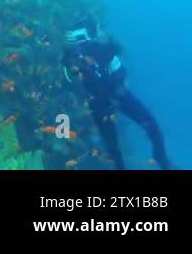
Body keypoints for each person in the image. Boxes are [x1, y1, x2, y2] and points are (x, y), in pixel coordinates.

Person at [62, 15, 171, 170]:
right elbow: (71, 78)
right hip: (104, 100)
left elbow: (119, 70)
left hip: (114, 95)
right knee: (115, 148)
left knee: (146, 127)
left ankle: (162, 159)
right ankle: (160, 160)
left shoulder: (103, 49)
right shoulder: (74, 55)